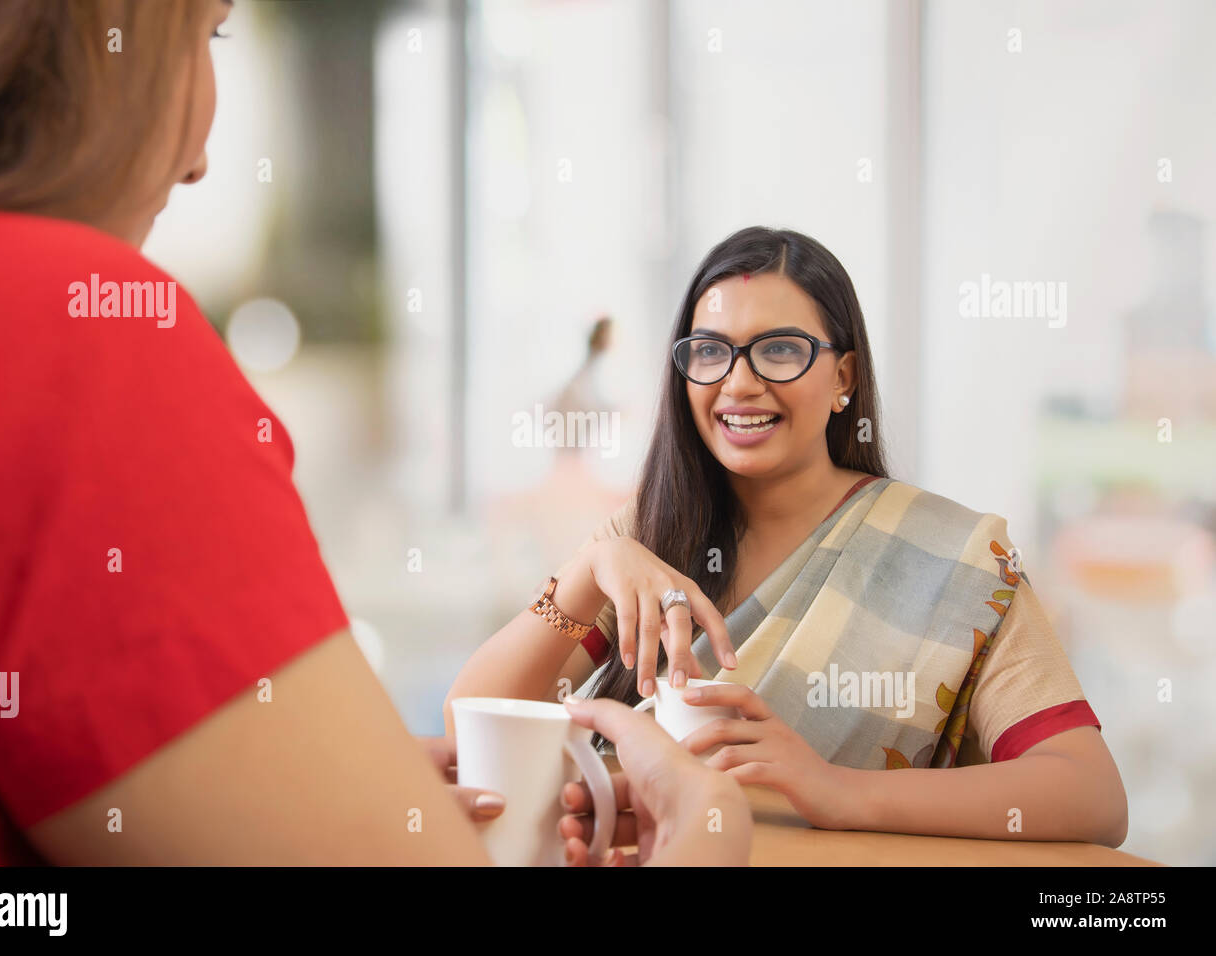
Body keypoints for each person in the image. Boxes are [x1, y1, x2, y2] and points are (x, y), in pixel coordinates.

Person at [0, 0, 750, 866]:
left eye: (780, 350)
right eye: (207, 35)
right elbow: (481, 714)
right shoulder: (61, 329)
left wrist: (337, 800)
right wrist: (705, 840)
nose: (200, 158)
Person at [449, 226, 1130, 851]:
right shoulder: (648, 539)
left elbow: (1089, 791)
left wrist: (835, 791)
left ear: (843, 377)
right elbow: (468, 735)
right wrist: (587, 568)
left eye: (779, 350)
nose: (739, 383)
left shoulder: (952, 559)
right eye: (710, 352)